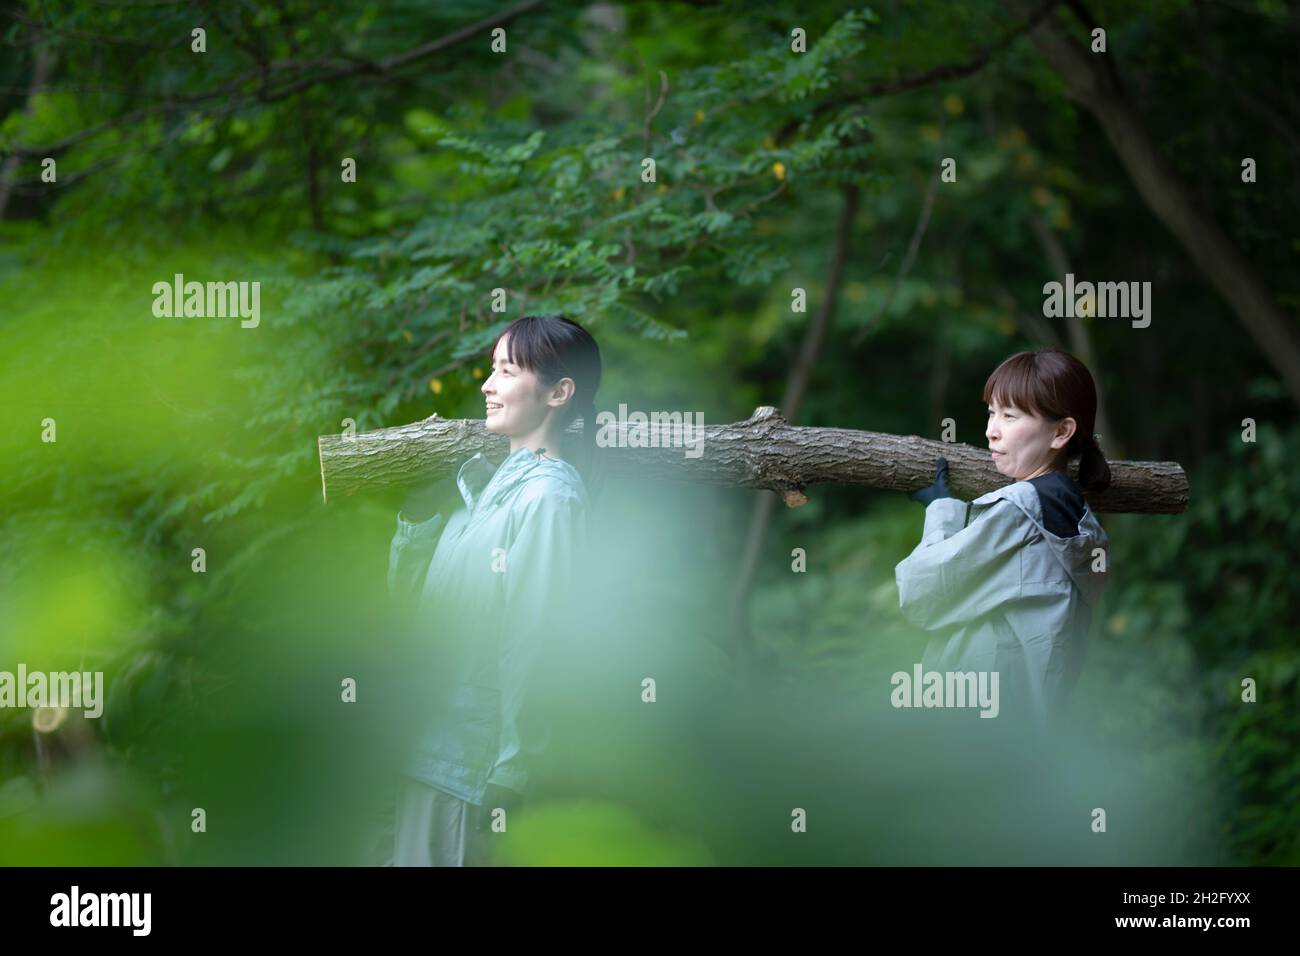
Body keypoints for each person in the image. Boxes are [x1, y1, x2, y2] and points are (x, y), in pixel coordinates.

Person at [384, 314, 601, 866]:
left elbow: (535, 639)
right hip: (425, 755)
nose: (487, 385)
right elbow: (413, 618)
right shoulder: (478, 492)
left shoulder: (548, 499)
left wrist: (514, 769)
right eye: (491, 369)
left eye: (506, 371)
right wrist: (416, 525)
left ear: (559, 392)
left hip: (472, 773)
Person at [895, 349, 1112, 731]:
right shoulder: (1076, 516)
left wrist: (942, 511)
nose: (991, 430)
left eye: (1010, 416)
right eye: (992, 413)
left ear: (1062, 431)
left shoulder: (1020, 512)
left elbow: (919, 591)